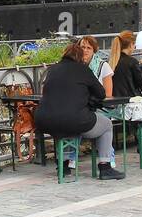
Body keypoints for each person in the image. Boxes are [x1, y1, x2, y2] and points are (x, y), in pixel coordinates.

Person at [34, 40, 126, 181]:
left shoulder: (52, 70)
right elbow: (101, 93)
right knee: (106, 124)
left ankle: (64, 166)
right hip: (74, 119)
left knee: (67, 128)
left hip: (44, 120)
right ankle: (105, 167)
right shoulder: (83, 70)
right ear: (80, 57)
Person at [109, 30, 142, 101]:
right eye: (134, 45)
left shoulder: (111, 61)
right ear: (130, 45)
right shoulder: (132, 62)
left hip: (114, 101)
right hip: (131, 100)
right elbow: (141, 83)